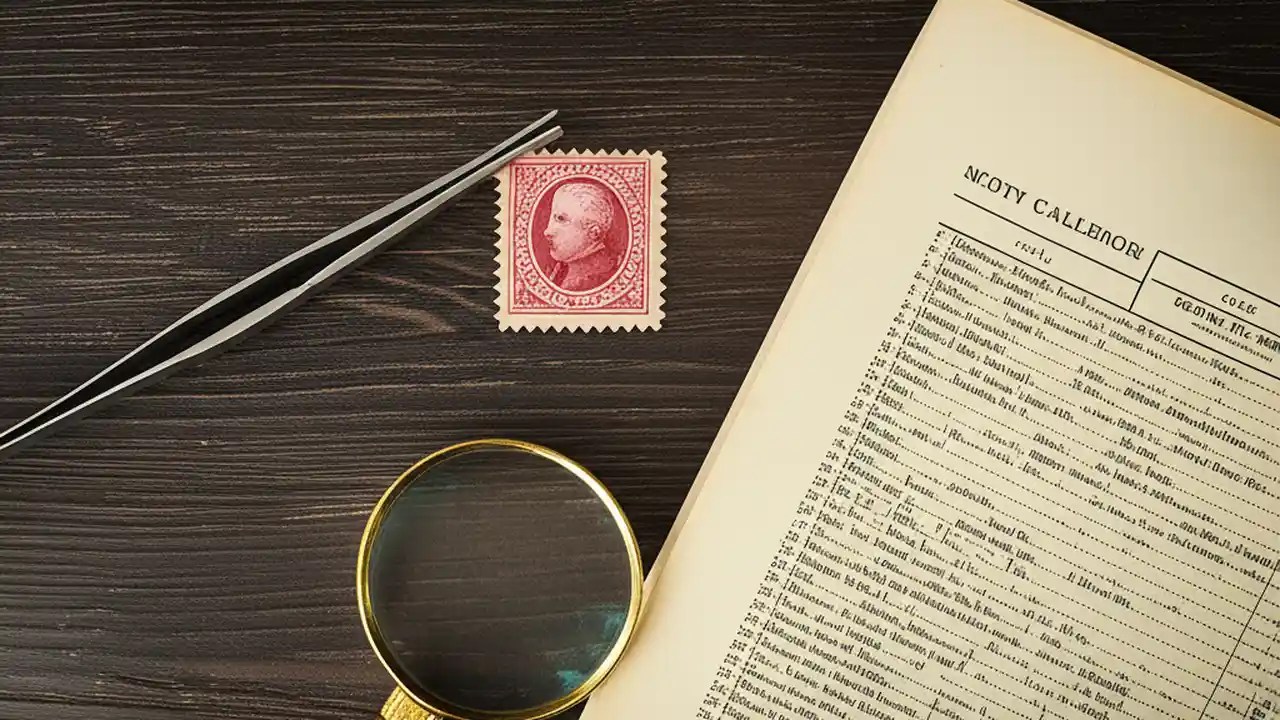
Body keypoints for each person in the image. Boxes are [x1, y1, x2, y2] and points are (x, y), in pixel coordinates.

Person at [540, 182, 618, 291]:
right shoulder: (563, 267)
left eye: (561, 219)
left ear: (593, 233)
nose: (547, 231)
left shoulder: (594, 278)